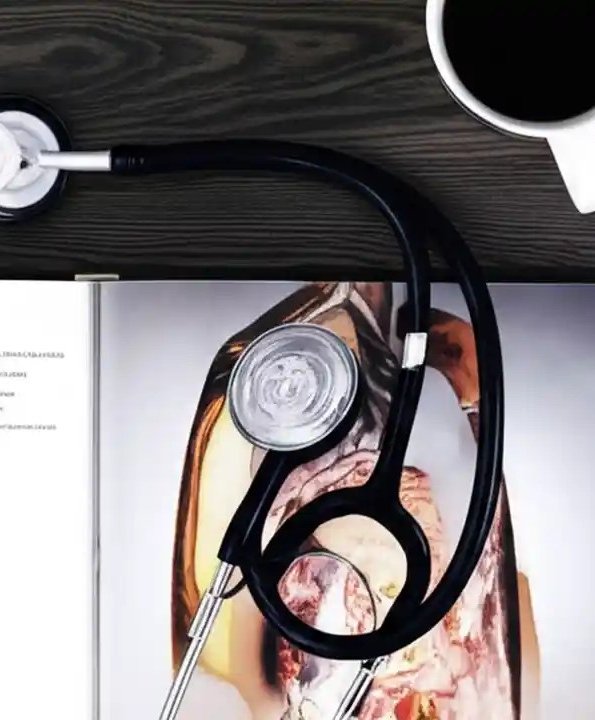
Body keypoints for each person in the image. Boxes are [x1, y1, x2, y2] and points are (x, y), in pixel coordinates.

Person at [170, 282, 540, 720]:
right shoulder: (476, 688)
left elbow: (250, 670)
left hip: (310, 480)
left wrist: (262, 556)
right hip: (401, 494)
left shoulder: (268, 696)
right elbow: (510, 631)